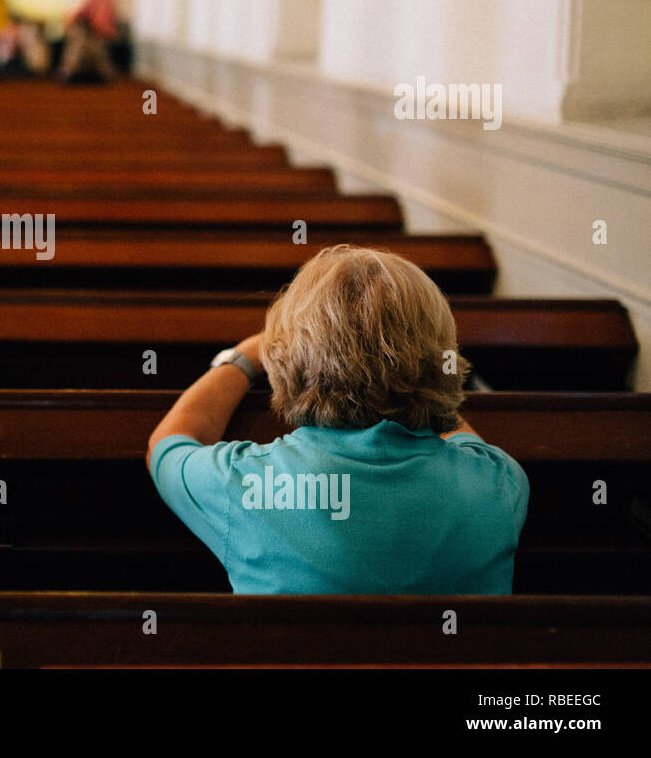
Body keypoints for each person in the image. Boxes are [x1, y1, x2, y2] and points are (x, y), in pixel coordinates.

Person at [147, 245, 529, 594]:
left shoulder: (247, 485)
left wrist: (246, 356)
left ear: (285, 358)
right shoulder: (499, 483)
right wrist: (421, 381)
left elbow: (169, 442)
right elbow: (455, 428)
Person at [58, 0, 118, 82]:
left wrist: (98, 26)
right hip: (84, 29)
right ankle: (72, 74)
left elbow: (102, 15)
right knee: (79, 54)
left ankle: (77, 74)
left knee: (94, 55)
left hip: (93, 31)